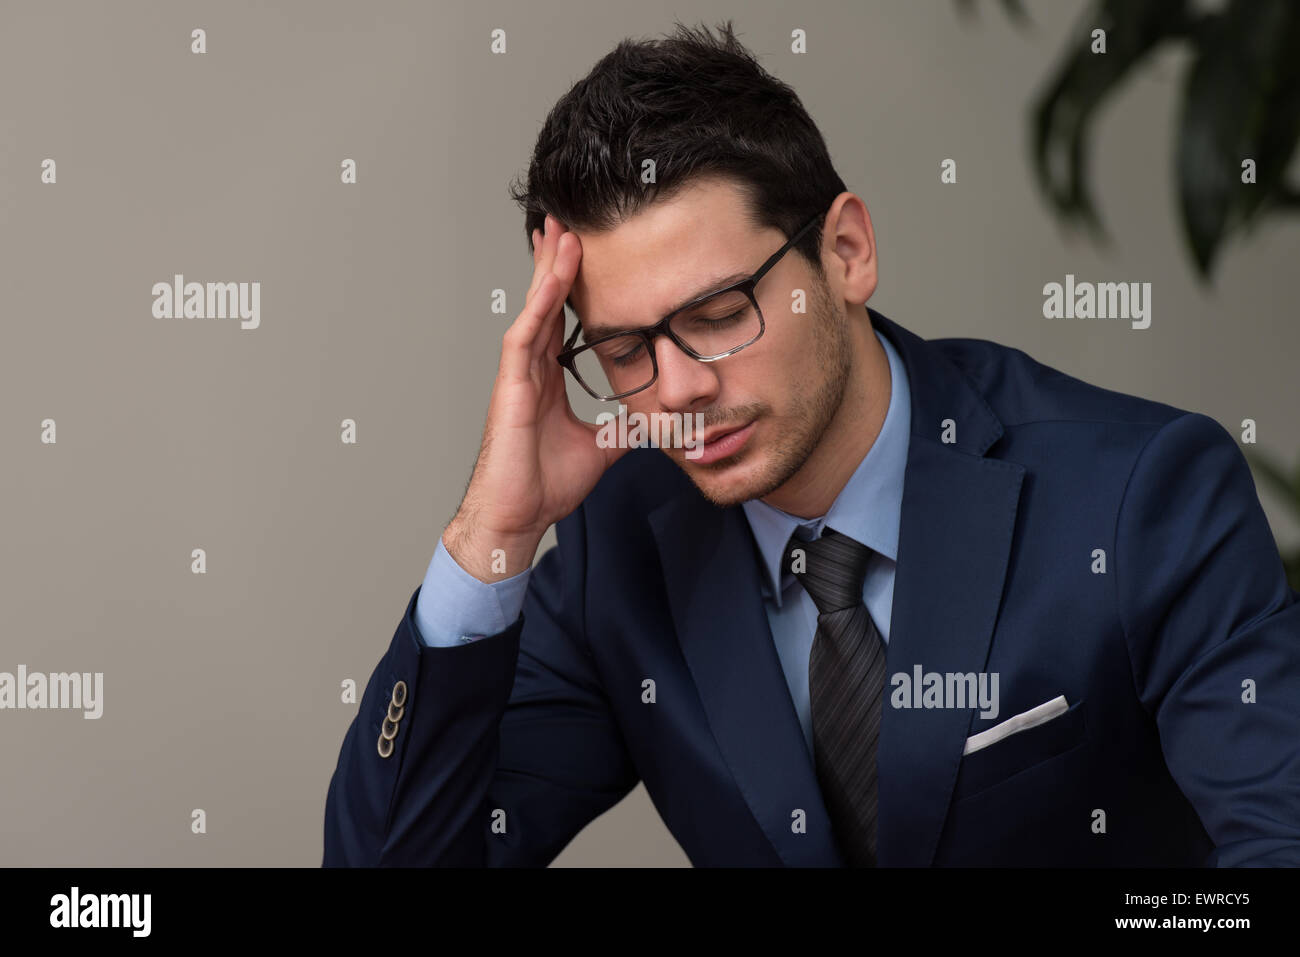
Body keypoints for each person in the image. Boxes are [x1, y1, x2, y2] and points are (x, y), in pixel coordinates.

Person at [322, 21, 1300, 867]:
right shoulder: (614, 560)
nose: (677, 390)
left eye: (717, 313)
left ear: (845, 253)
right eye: (622, 350)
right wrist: (493, 532)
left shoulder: (1138, 495)